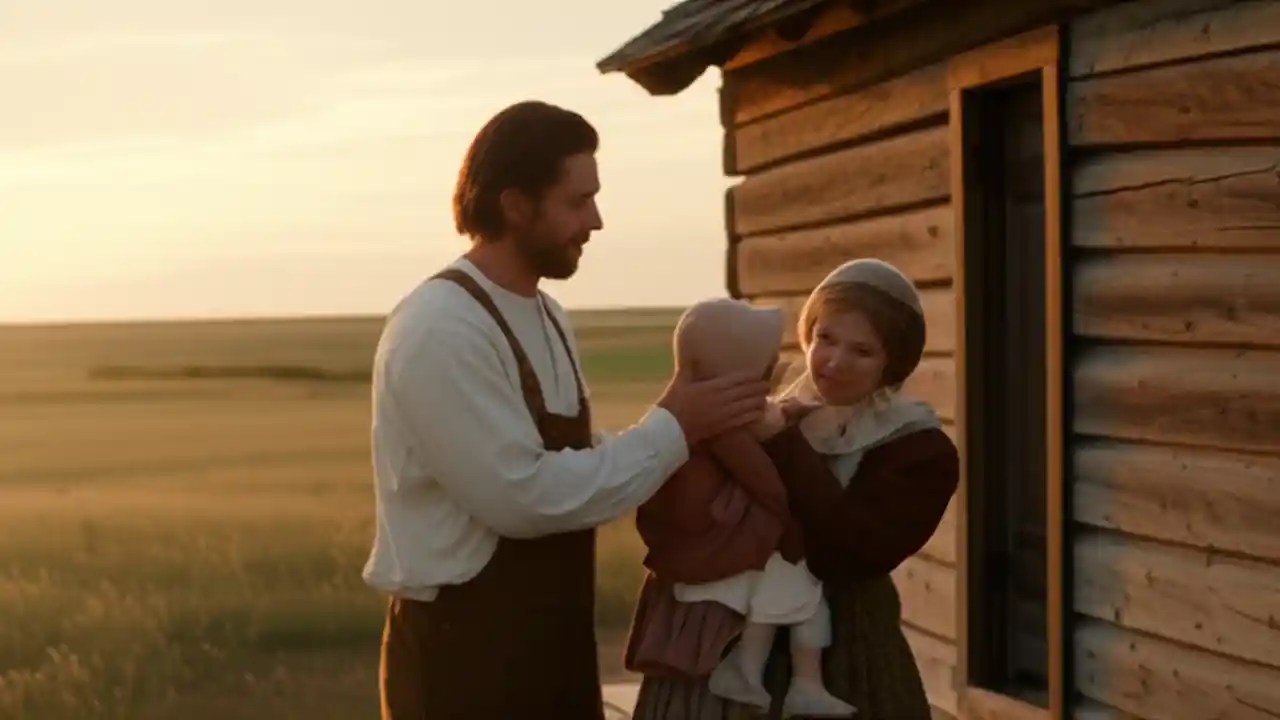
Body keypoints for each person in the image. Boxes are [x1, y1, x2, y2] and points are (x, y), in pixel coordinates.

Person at [361, 100, 771, 720]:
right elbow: (524, 496)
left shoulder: (547, 315)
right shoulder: (440, 330)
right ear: (515, 205)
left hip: (552, 648)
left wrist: (676, 419)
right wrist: (676, 428)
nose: (597, 220)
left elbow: (569, 462)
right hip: (463, 663)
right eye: (577, 202)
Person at [631, 258, 960, 720]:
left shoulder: (918, 449)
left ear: (894, 362)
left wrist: (781, 445)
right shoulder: (773, 408)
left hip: (842, 655)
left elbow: (853, 550)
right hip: (722, 651)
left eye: (862, 351)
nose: (834, 361)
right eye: (825, 338)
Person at [622, 298, 853, 717]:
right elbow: (769, 489)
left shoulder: (690, 412)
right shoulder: (724, 428)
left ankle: (764, 672)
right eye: (766, 365)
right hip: (715, 537)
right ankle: (790, 677)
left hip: (699, 534)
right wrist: (793, 524)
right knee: (797, 582)